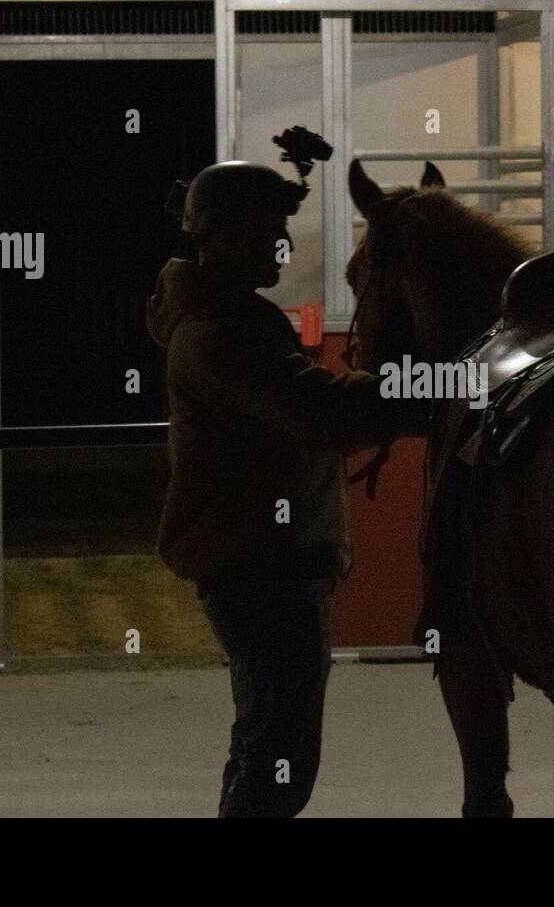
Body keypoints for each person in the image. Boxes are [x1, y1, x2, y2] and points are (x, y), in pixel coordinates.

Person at [146, 160, 424, 817]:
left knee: (268, 748)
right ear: (219, 235)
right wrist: (428, 390)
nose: (283, 244)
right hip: (263, 567)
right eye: (267, 229)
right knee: (278, 763)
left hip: (269, 561)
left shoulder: (231, 318)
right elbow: (323, 415)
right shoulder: (220, 332)